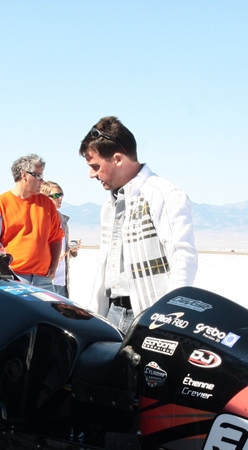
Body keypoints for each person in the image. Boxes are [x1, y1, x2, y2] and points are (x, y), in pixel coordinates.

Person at [78, 116, 197, 334]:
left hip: (150, 316)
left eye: (95, 166)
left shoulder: (162, 193)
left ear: (117, 159)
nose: (91, 175)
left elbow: (183, 257)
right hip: (111, 313)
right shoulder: (109, 205)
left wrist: (168, 316)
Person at [0, 155, 64, 291]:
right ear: (24, 175)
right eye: (38, 175)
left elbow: (56, 238)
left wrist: (54, 266)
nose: (42, 181)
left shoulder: (47, 204)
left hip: (43, 279)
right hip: (13, 278)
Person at [41, 180, 77, 298]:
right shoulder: (40, 219)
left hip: (62, 281)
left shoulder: (62, 220)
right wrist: (52, 258)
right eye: (56, 195)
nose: (60, 198)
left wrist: (72, 251)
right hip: (45, 280)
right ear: (45, 197)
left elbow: (61, 248)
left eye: (61, 195)